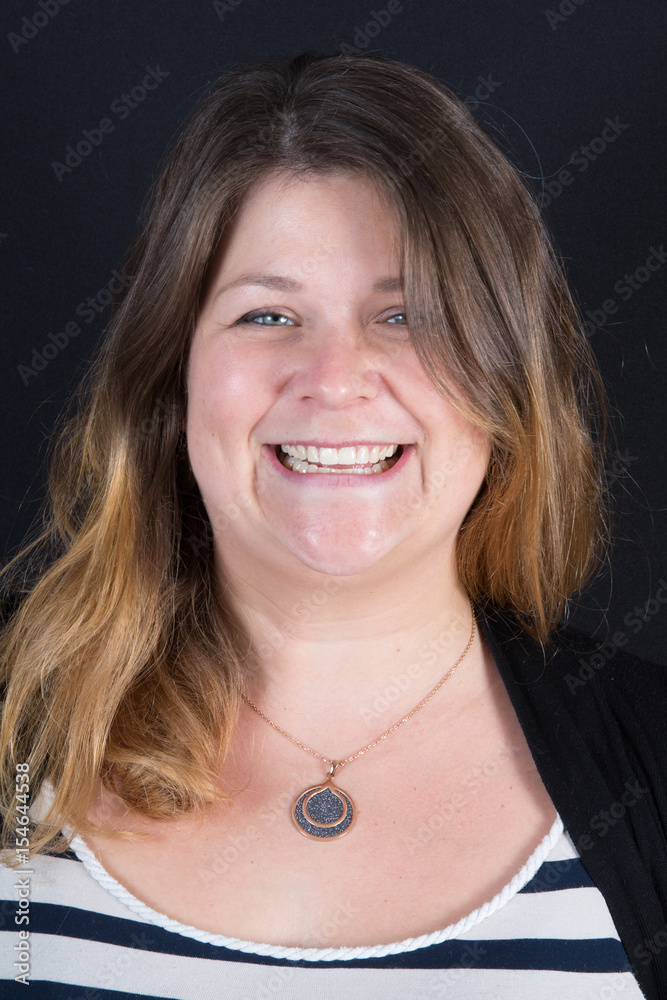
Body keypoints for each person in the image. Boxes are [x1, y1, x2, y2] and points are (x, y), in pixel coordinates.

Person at [0, 49, 665, 999]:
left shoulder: (646, 757)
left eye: (407, 317)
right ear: (171, 378)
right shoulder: (17, 722)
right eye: (268, 316)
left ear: (503, 382)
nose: (335, 376)